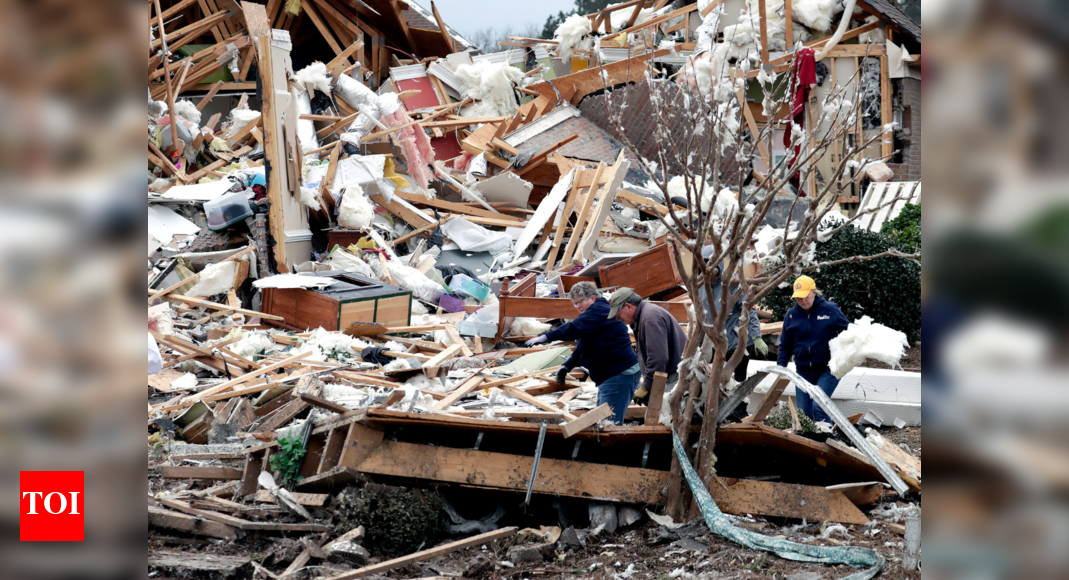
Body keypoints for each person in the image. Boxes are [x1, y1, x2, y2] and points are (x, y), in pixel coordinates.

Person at [524, 282, 640, 424]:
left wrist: (546, 337)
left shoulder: (600, 310)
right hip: (611, 375)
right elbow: (584, 346)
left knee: (609, 424)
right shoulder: (594, 317)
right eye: (575, 303)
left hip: (619, 374)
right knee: (604, 421)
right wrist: (567, 366)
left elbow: (573, 328)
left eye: (580, 301)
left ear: (592, 298)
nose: (578, 306)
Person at [777, 275, 850, 424]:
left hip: (828, 369)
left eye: (806, 296)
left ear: (814, 292)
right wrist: (780, 368)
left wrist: (848, 356)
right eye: (799, 297)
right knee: (804, 415)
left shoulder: (829, 310)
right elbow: (785, 345)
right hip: (803, 372)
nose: (803, 300)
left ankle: (827, 441)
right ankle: (810, 444)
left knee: (819, 407)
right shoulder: (791, 316)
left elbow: (850, 334)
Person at [607, 288, 687, 404]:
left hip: (673, 377)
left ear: (628, 306)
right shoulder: (645, 315)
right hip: (668, 376)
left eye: (618, 313)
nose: (617, 317)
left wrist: (647, 386)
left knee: (665, 417)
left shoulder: (650, 319)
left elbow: (658, 358)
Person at [698, 261, 768, 382]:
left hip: (739, 343)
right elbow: (702, 318)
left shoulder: (732, 284)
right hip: (718, 344)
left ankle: (741, 399)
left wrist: (757, 336)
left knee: (737, 382)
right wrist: (699, 345)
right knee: (720, 381)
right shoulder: (700, 287)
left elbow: (748, 310)